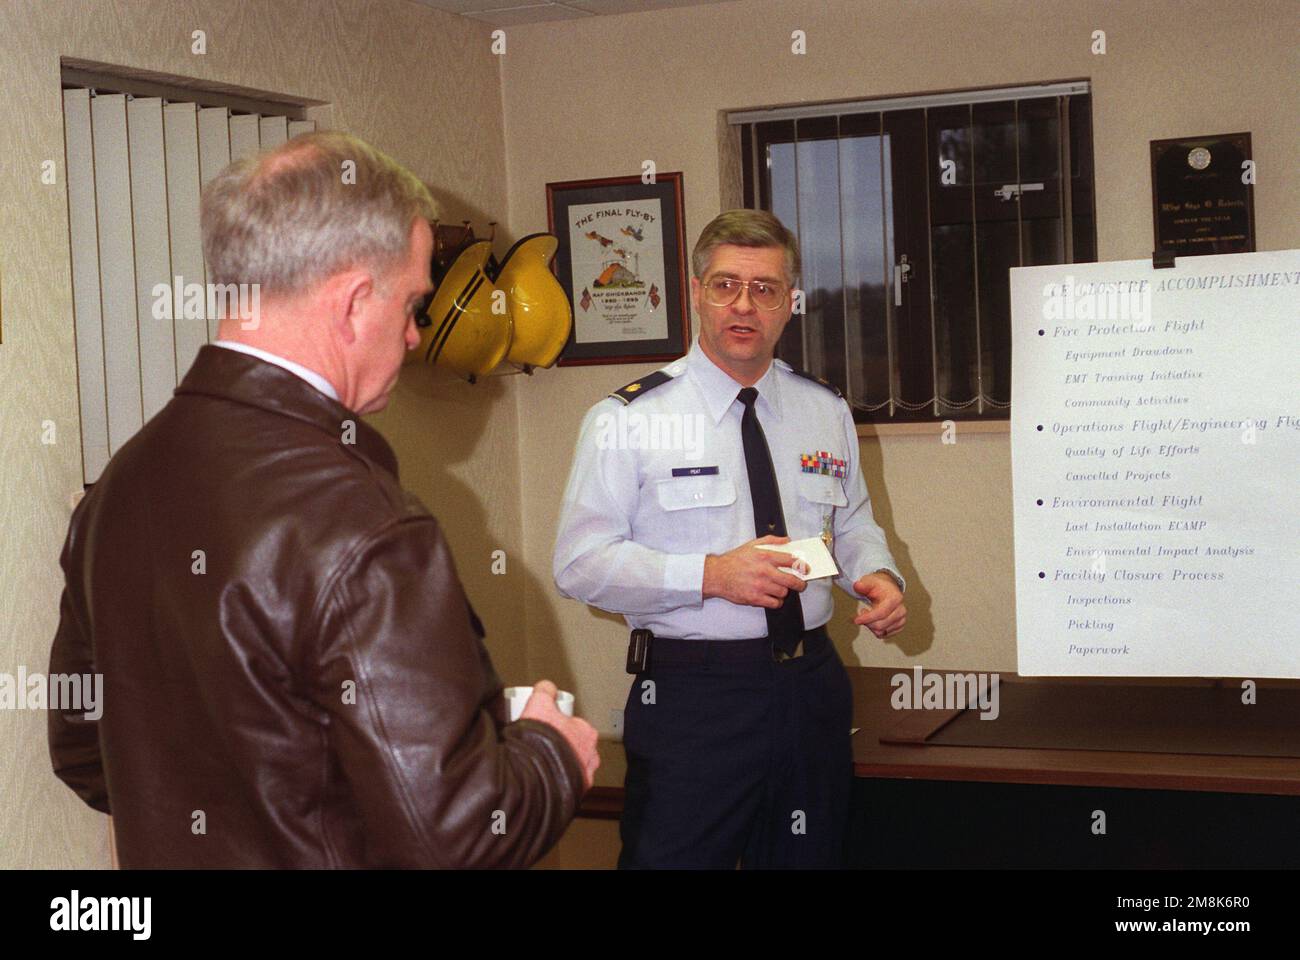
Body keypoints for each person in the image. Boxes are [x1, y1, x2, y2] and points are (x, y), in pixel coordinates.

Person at [47, 131, 598, 868]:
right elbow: (458, 839)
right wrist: (552, 754)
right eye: (411, 305)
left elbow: (85, 748)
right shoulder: (367, 529)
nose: (411, 335)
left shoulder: (119, 486)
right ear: (353, 302)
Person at [553, 209, 906, 868]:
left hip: (810, 686)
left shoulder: (822, 410)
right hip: (693, 698)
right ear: (694, 292)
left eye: (766, 288)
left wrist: (878, 577)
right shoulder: (627, 420)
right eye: (725, 285)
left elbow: (853, 523)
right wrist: (712, 574)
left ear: (789, 303)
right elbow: (578, 565)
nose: (744, 304)